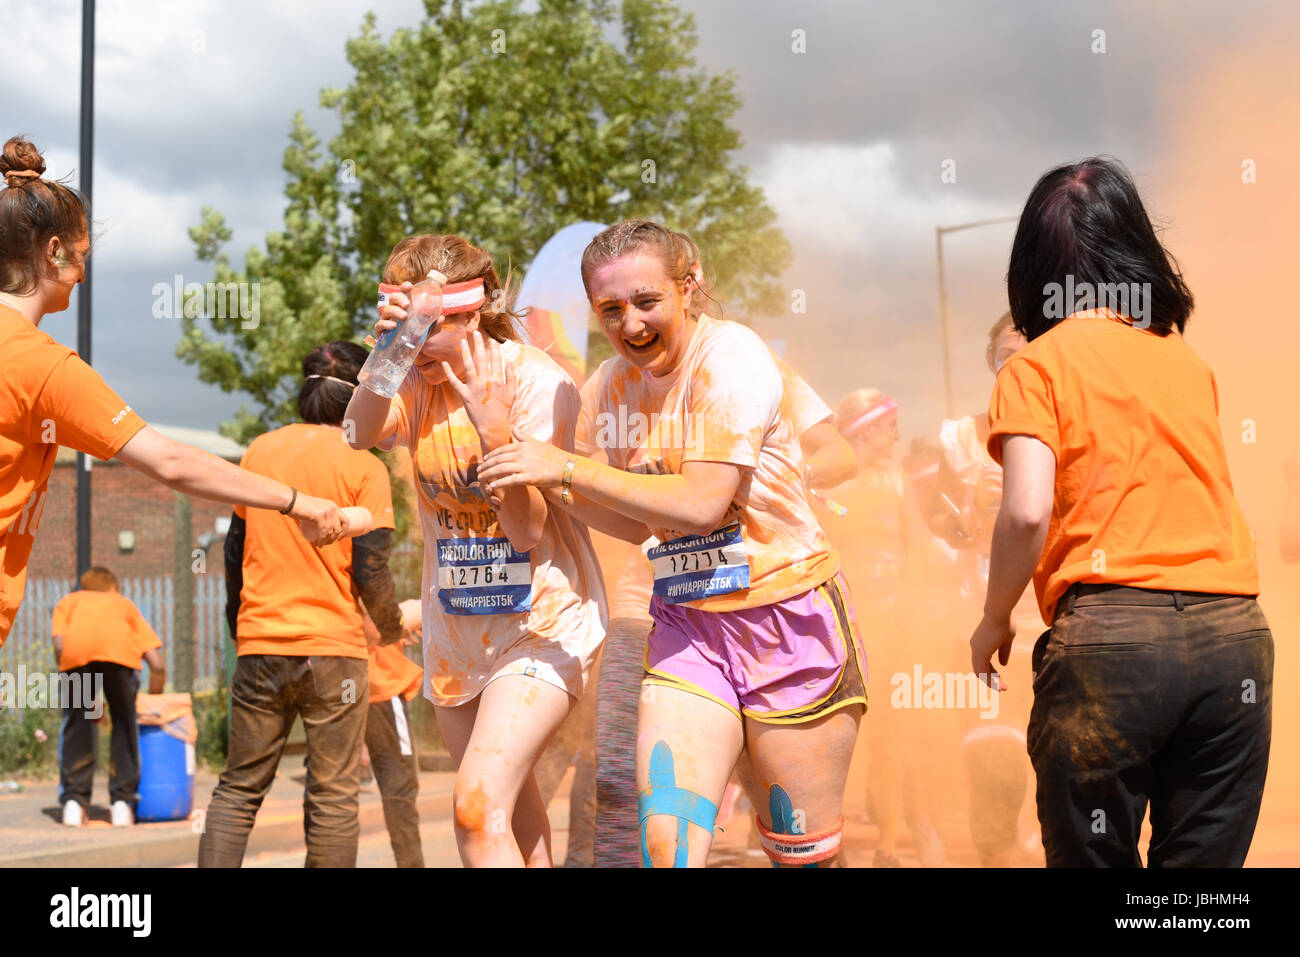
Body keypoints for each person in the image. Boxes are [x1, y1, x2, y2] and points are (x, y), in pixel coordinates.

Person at [480, 220, 866, 868]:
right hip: (685, 624)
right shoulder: (609, 387)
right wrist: (535, 474)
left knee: (801, 852)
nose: (630, 324)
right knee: (667, 844)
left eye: (646, 301)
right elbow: (634, 523)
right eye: (610, 309)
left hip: (786, 621)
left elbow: (700, 503)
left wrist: (564, 468)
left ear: (690, 286)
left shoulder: (734, 357)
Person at [971, 156, 1272, 867]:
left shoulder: (1034, 366)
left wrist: (994, 617)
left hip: (1110, 642)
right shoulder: (1186, 361)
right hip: (1234, 638)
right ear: (1135, 247)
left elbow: (1025, 512)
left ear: (1033, 267)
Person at [0, 135, 345, 648]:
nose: (84, 275)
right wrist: (296, 501)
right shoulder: (42, 366)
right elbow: (171, 463)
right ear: (53, 252)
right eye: (81, 257)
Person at [346, 233, 607, 868]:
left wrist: (493, 431)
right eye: (403, 327)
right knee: (510, 817)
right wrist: (387, 352)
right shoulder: (412, 378)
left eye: (428, 327)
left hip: (542, 623)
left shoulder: (536, 381)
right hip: (458, 631)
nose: (415, 344)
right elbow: (355, 432)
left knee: (475, 807)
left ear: (475, 314)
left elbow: (526, 530)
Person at [198, 341, 404, 868]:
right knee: (334, 794)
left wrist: (240, 628)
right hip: (334, 653)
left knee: (238, 789)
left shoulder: (260, 451)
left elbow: (234, 551)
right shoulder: (366, 465)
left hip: (260, 645)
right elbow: (371, 569)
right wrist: (392, 627)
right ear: (361, 396)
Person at [51, 566, 166, 827]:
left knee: (77, 724)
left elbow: (59, 644)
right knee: (125, 723)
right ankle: (122, 804)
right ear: (113, 587)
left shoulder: (68, 602)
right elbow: (157, 665)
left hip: (75, 658)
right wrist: (153, 702)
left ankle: (74, 804)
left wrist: (79, 687)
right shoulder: (123, 604)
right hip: (120, 659)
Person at [362, 601, 426, 867]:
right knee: (400, 787)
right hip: (380, 687)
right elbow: (372, 627)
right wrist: (400, 620)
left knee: (331, 792)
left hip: (343, 683)